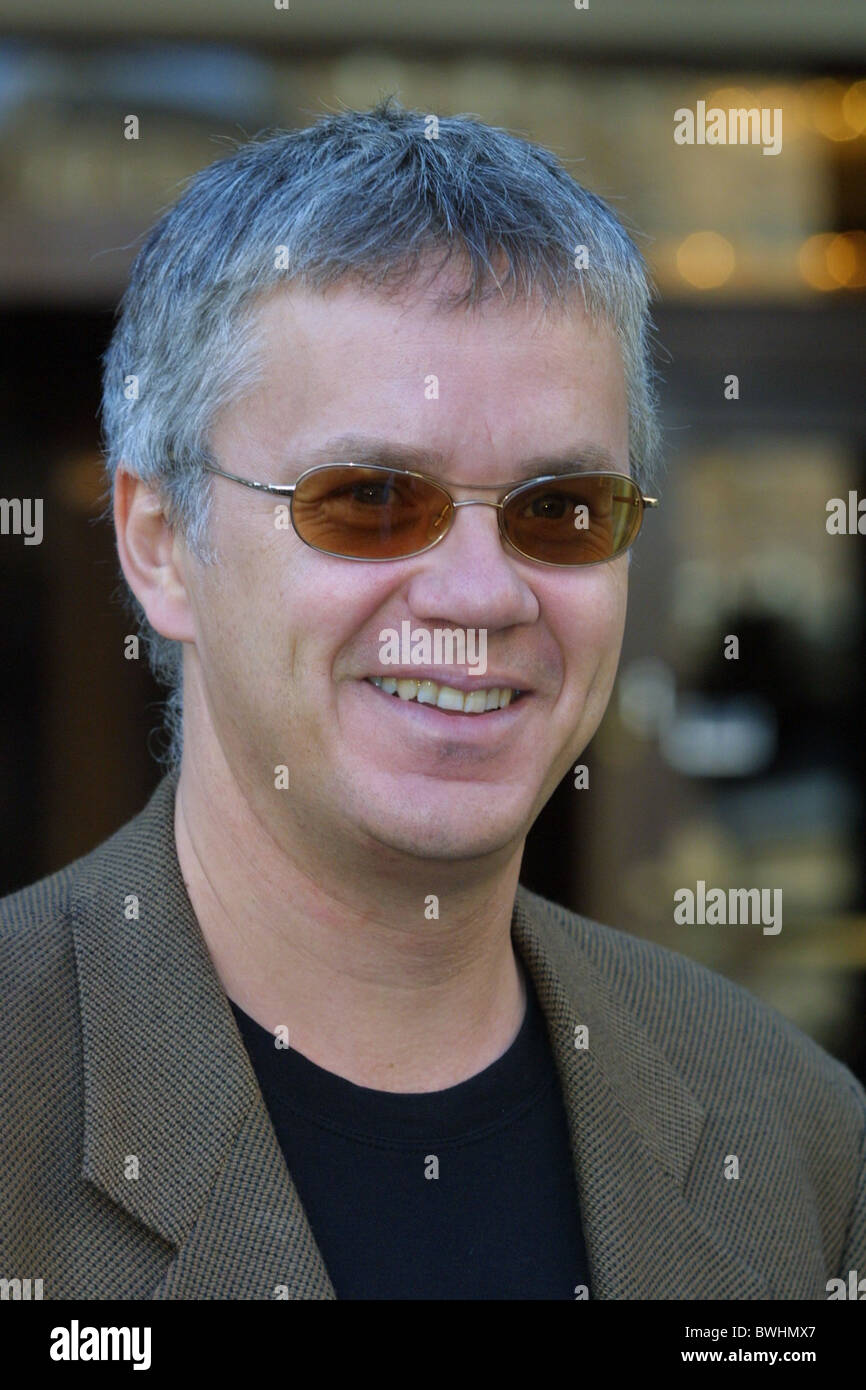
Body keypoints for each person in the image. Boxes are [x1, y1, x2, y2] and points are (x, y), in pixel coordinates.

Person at [1, 100, 863, 1301]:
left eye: (558, 508)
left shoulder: (794, 1135)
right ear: (160, 543)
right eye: (369, 498)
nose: (478, 592)